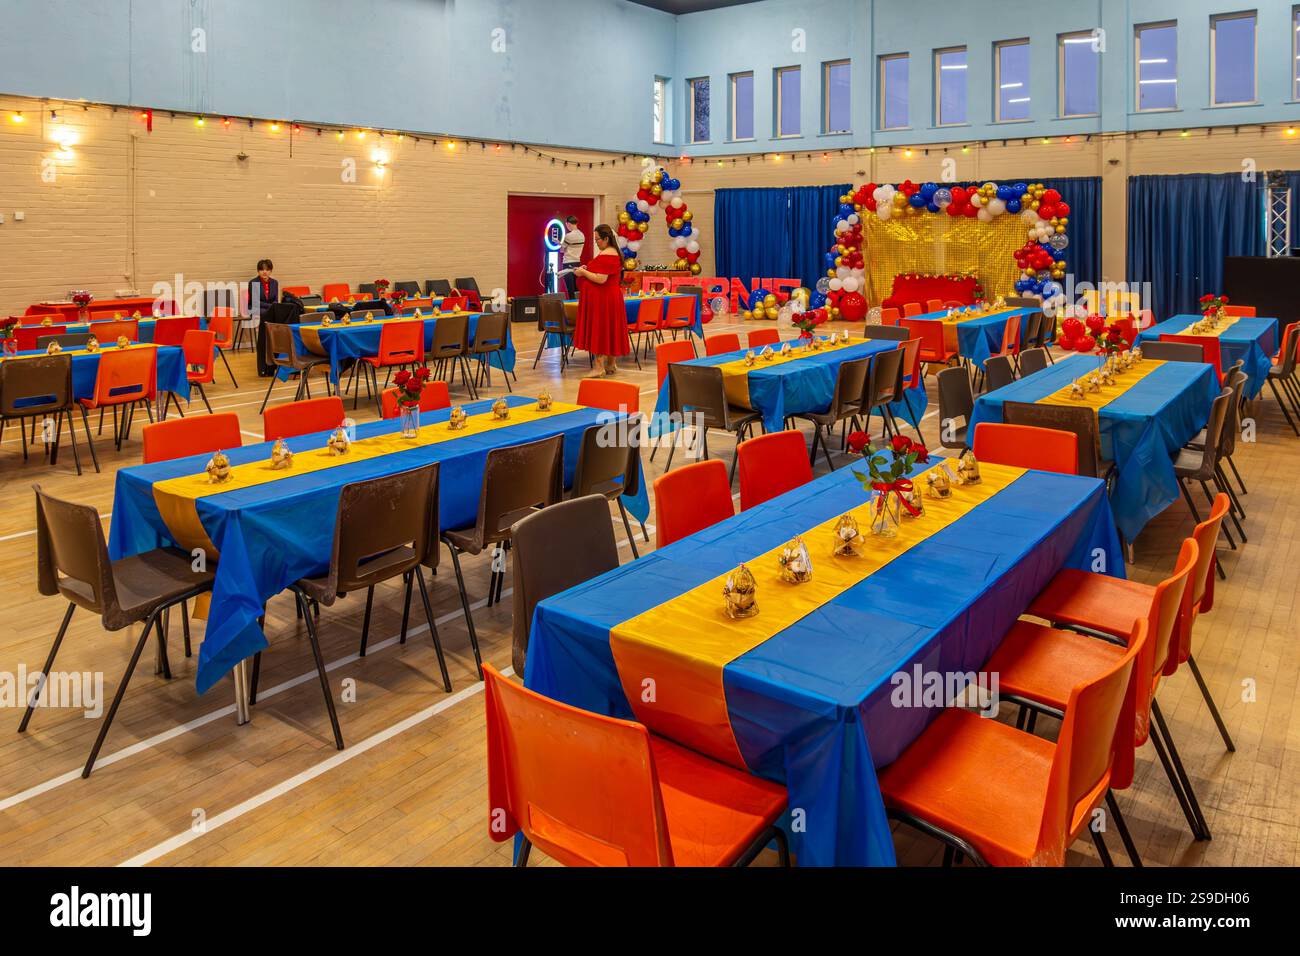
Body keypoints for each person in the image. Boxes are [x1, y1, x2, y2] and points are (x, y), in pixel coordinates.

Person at [573, 224, 631, 377]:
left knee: (600, 330)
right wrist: (588, 269)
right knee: (609, 329)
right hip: (610, 297)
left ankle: (599, 366)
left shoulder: (607, 254)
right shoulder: (613, 253)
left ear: (606, 238)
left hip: (603, 299)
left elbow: (600, 279)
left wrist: (583, 272)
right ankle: (611, 363)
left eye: (597, 239)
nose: (596, 242)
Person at [560, 216, 584, 299]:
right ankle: (578, 307)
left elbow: (562, 250)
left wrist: (560, 244)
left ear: (568, 224)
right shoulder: (582, 235)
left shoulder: (568, 236)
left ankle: (571, 308)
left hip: (568, 263)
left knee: (570, 289)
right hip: (577, 262)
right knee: (575, 288)